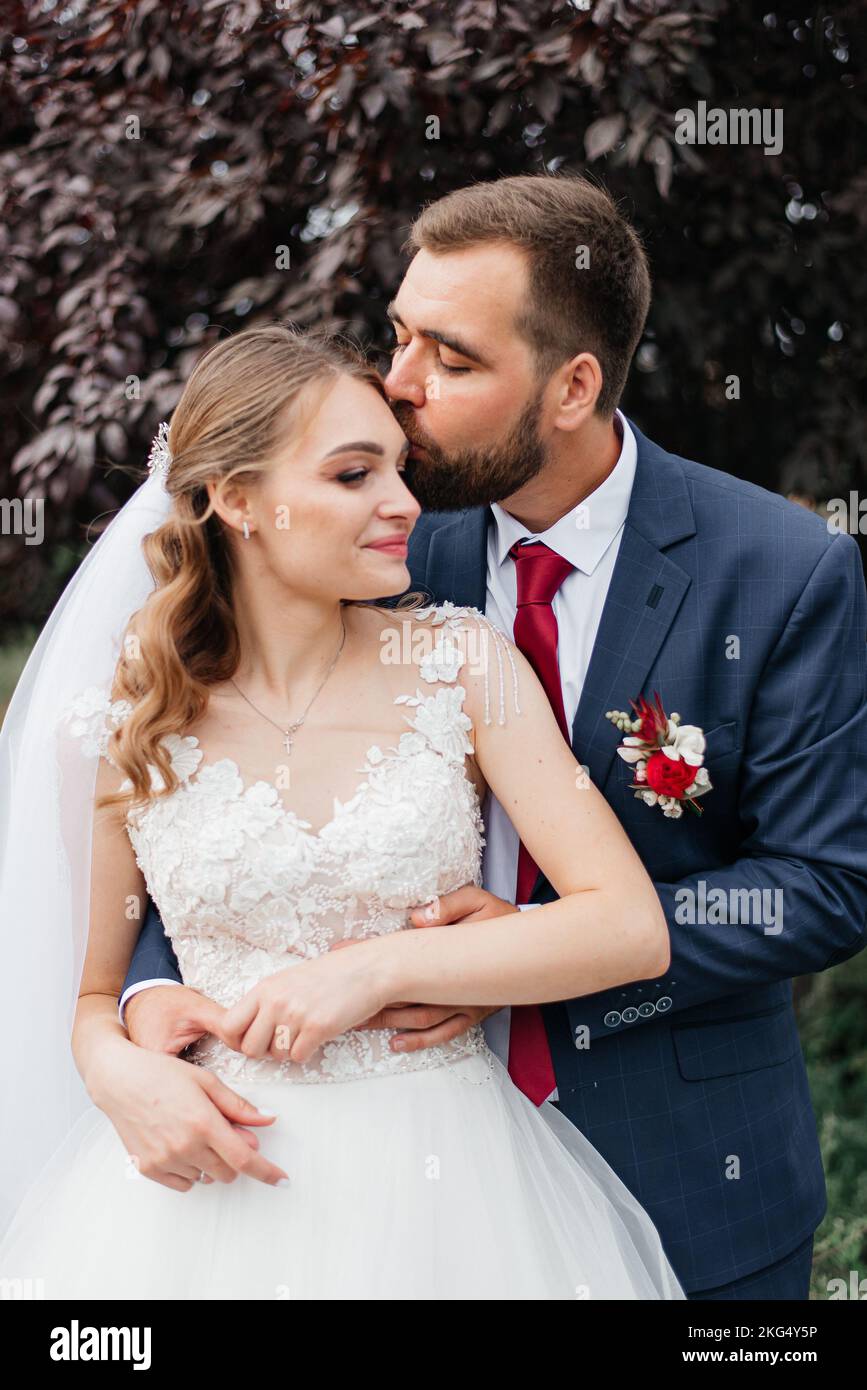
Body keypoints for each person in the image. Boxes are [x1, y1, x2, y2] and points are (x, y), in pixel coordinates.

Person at [119, 175, 867, 1300]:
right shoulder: (368, 534)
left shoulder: (781, 571)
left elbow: (824, 883)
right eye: (400, 337)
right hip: (343, 1184)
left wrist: (517, 961)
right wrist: (134, 1011)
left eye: (453, 359)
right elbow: (198, 788)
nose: (398, 385)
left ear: (572, 386)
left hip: (687, 1172)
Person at [0, 323, 685, 1299]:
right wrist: (116, 1067)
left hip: (454, 1193)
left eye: (401, 470)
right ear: (237, 499)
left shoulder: (463, 664)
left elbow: (628, 927)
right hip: (208, 1198)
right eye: (353, 474)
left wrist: (375, 970)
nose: (404, 503)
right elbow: (86, 997)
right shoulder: (130, 718)